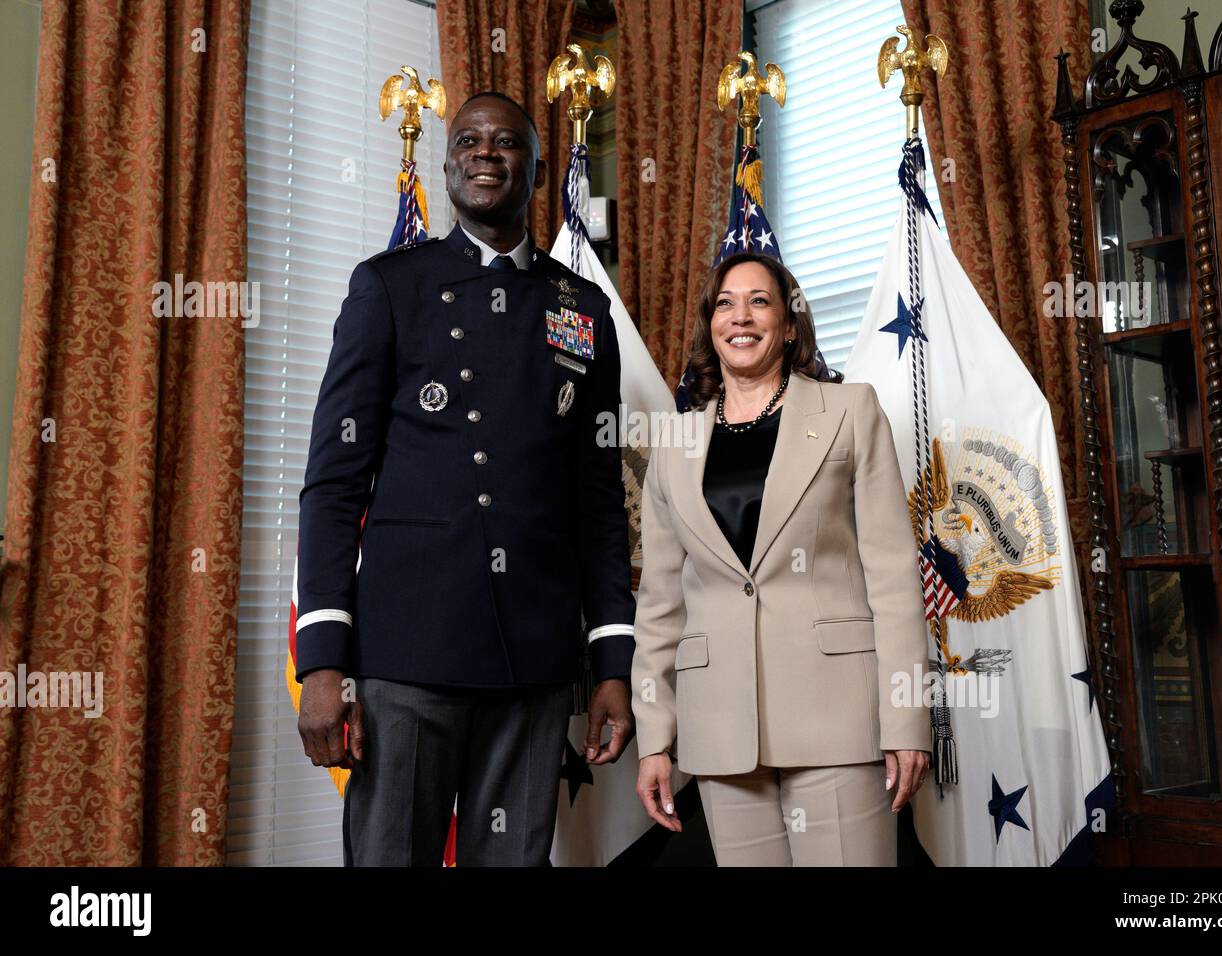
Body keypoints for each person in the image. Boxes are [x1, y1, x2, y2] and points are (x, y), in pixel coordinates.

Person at [294, 91, 635, 866]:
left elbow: (597, 500)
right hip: (409, 651)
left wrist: (611, 662)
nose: (487, 152)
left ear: (537, 167)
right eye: (471, 141)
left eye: (508, 141)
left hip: (535, 660)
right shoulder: (388, 286)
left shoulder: (581, 309)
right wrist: (323, 663)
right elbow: (334, 483)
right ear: (448, 166)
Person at [631, 252, 931, 866]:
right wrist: (654, 739)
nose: (740, 316)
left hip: (837, 722)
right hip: (720, 730)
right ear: (709, 325)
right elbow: (660, 606)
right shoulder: (673, 444)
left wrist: (905, 719)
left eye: (760, 301)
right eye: (724, 303)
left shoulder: (850, 412)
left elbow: (895, 580)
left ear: (790, 325)